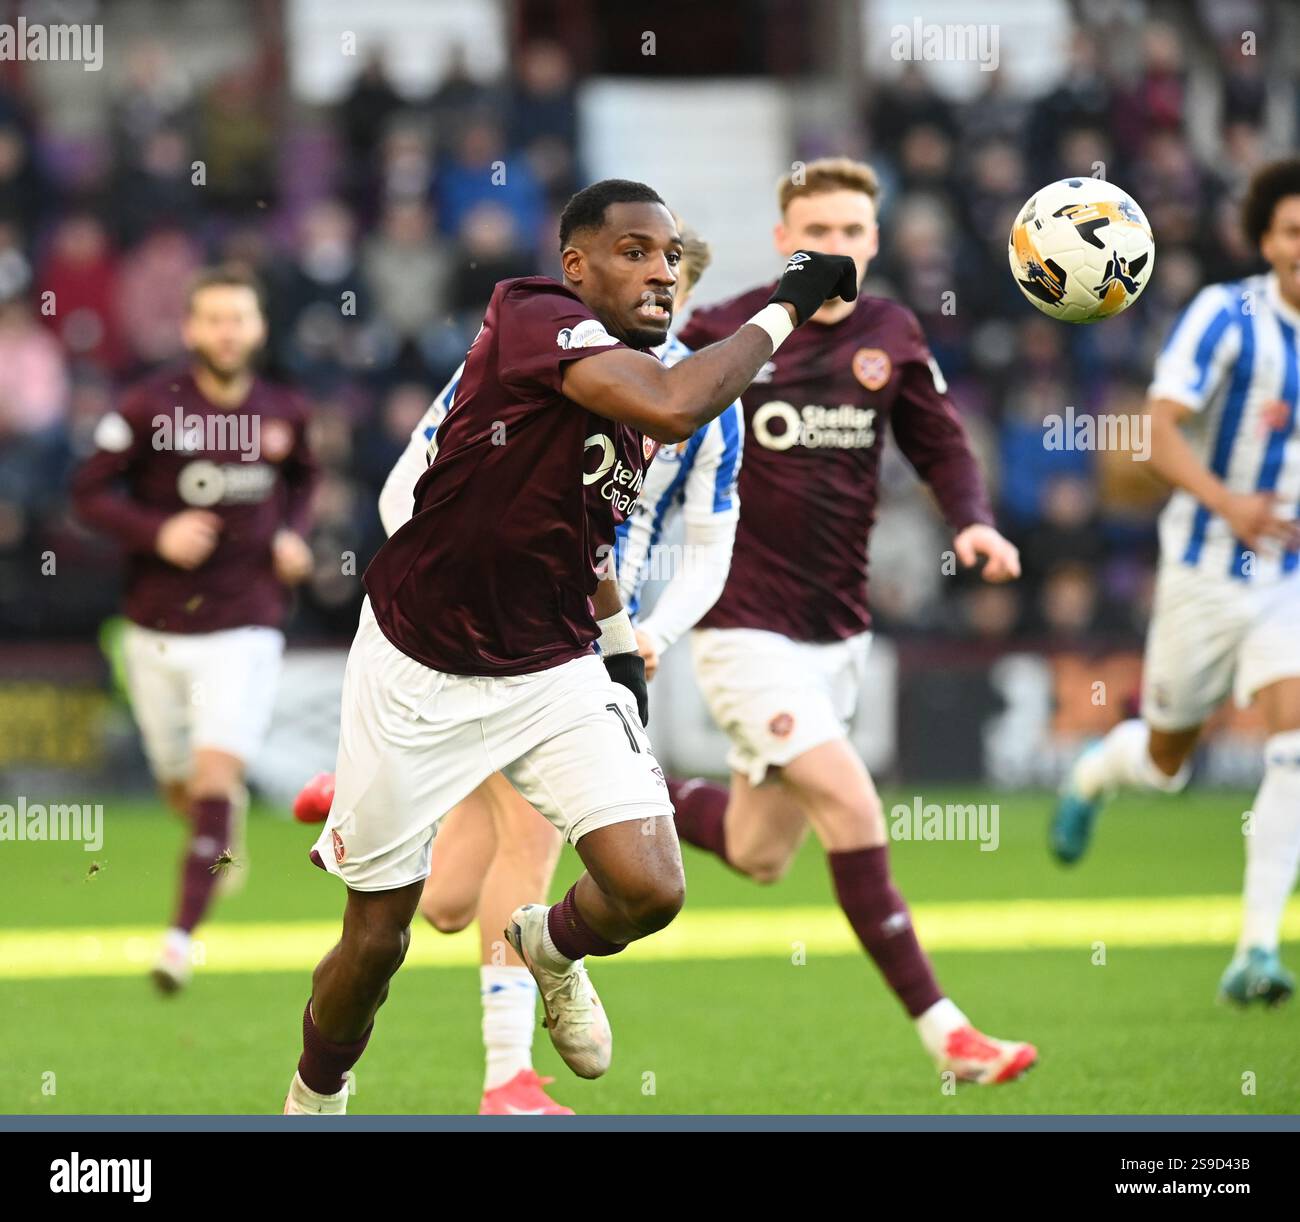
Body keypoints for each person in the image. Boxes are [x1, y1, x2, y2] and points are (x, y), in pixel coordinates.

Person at [281, 178, 857, 1114]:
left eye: (671, 257)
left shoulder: (644, 391)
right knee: (385, 937)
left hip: (547, 666)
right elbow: (675, 404)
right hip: (418, 664)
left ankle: (546, 948)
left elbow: (582, 540)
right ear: (576, 265)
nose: (660, 272)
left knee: (650, 888)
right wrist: (788, 299)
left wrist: (625, 649)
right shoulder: (531, 315)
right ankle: (313, 1102)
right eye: (634, 252)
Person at [668, 157, 1037, 1085]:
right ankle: (948, 1035)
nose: (834, 248)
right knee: (852, 801)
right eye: (817, 233)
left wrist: (975, 523)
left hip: (838, 630)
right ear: (786, 241)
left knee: (757, 852)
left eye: (851, 234)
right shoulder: (727, 331)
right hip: (741, 625)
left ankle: (604, 798)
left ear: (872, 244)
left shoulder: (892, 333)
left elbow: (940, 442)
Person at [1054, 158, 1300, 1006]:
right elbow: (1153, 438)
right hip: (1203, 565)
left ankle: (1256, 950)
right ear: (1265, 241)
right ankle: (1094, 774)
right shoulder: (1223, 316)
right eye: (1291, 233)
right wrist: (1229, 502)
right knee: (1167, 762)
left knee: (1296, 745)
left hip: (1289, 577)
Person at [71, 265, 318, 992]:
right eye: (213, 319)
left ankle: (179, 940)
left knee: (213, 773)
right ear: (190, 330)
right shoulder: (149, 406)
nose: (226, 332)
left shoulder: (285, 408)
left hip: (246, 623)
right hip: (153, 626)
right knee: (182, 788)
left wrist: (292, 537)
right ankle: (218, 817)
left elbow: (303, 480)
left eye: (238, 318)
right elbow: (87, 491)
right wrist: (158, 530)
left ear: (258, 327)